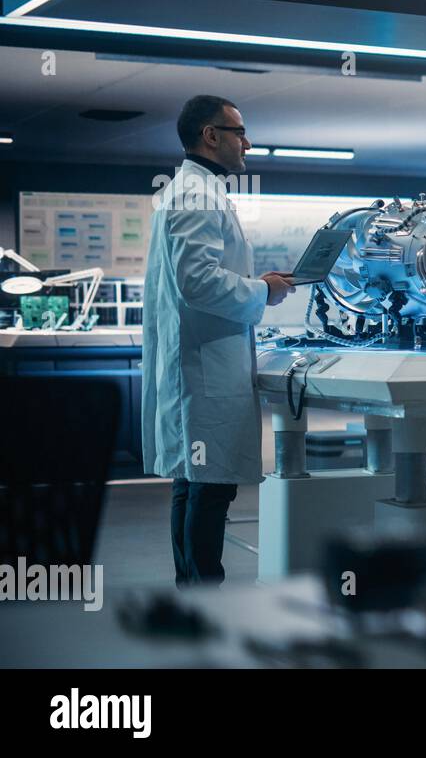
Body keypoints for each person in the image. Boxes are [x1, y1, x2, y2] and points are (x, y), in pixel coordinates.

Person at [141, 95, 295, 587]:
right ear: (211, 136)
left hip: (199, 361)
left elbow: (200, 275)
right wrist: (263, 291)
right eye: (239, 133)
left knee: (193, 485)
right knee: (207, 490)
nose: (247, 144)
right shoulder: (196, 194)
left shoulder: (193, 190)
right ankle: (207, 598)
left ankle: (194, 592)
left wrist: (256, 281)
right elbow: (198, 281)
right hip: (204, 368)